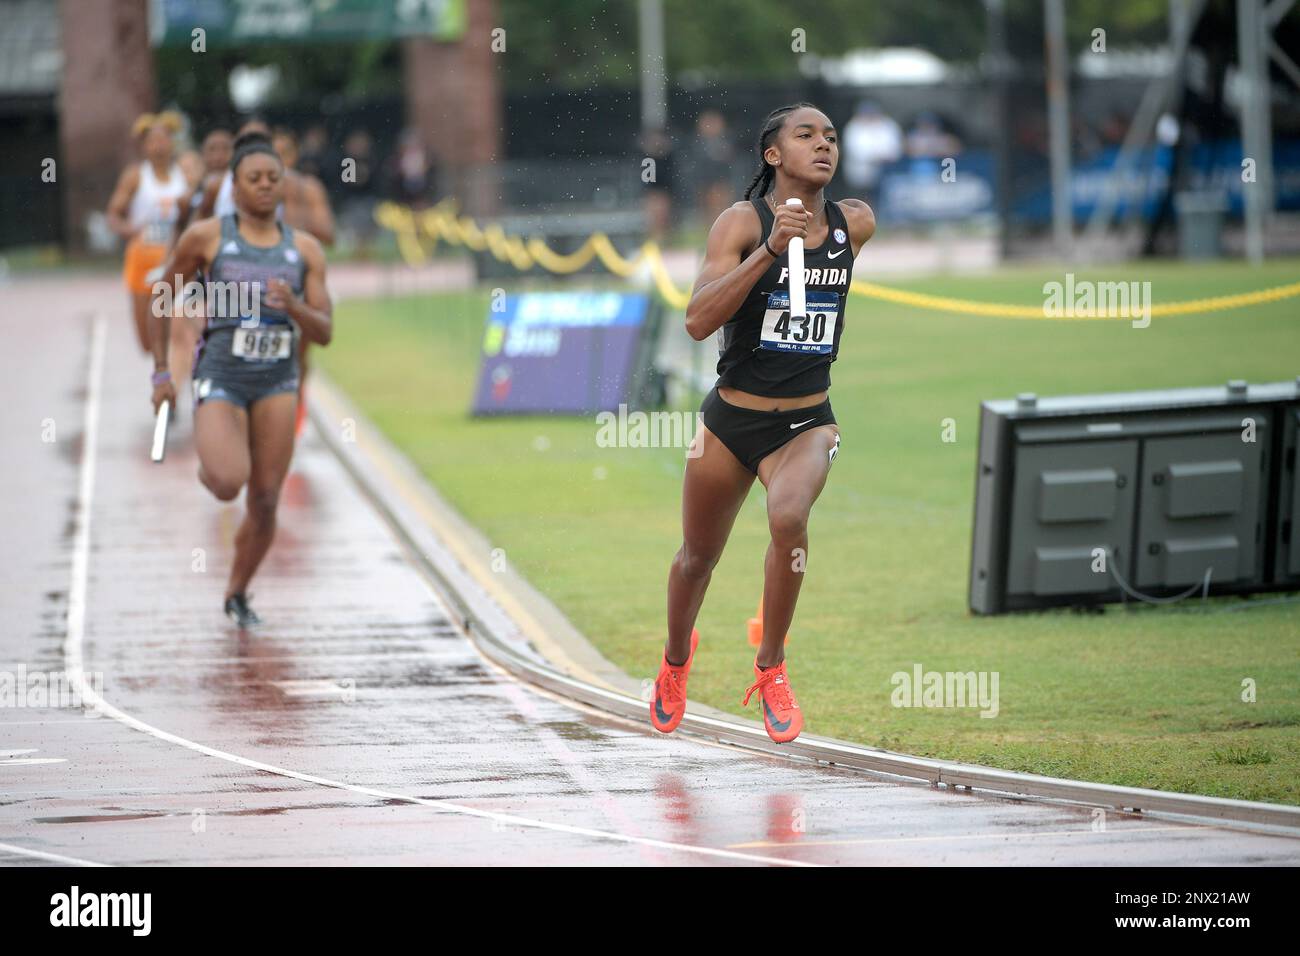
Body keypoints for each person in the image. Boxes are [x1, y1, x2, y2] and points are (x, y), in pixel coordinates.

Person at [650, 103, 875, 744]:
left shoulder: (855, 223)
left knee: (788, 518)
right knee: (696, 558)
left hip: (807, 422)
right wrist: (769, 251)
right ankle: (674, 661)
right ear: (773, 155)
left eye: (831, 136)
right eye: (805, 136)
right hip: (729, 422)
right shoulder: (740, 222)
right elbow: (697, 321)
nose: (823, 145)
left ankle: (771, 666)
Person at [149, 131, 333, 628]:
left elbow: (326, 330)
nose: (266, 187)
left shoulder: (305, 251)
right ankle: (213, 464)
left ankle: (237, 592)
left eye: (274, 179)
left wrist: (293, 306)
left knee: (267, 498)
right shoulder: (208, 238)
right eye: (255, 179)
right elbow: (162, 298)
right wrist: (162, 372)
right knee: (230, 482)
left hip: (276, 379)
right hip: (223, 375)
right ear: (234, 184)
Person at [106, 111, 196, 354]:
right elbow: (113, 214)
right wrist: (131, 229)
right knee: (148, 343)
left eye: (164, 140)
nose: (159, 146)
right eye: (153, 141)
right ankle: (162, 372)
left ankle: (177, 375)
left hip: (177, 261)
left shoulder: (184, 175)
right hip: (143, 263)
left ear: (172, 143)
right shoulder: (135, 176)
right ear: (144, 146)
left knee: (179, 328)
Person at [272, 126, 336, 436]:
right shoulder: (251, 191)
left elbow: (329, 233)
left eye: (284, 153)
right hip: (265, 281)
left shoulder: (308, 189)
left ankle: (298, 405)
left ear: (294, 156)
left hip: (303, 277)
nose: (279, 162)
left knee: (302, 352)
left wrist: (296, 216)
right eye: (273, 154)